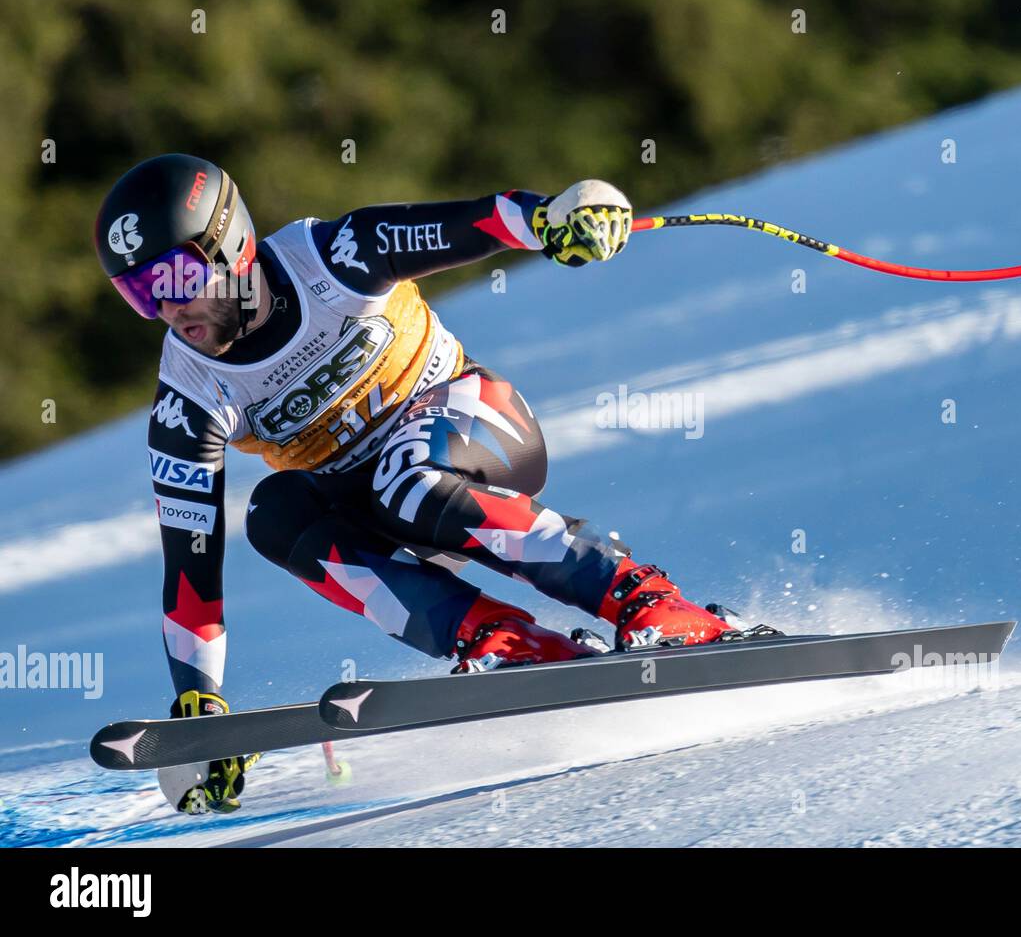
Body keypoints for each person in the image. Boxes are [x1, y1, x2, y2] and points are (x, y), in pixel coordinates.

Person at [94, 153, 749, 813]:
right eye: (141, 294)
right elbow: (190, 576)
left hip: (478, 430)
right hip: (375, 502)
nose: (169, 309)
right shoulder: (188, 400)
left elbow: (476, 222)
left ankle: (650, 602)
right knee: (275, 514)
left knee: (404, 478)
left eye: (174, 276)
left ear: (229, 245)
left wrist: (552, 220)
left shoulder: (331, 258)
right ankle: (509, 646)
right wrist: (199, 706)